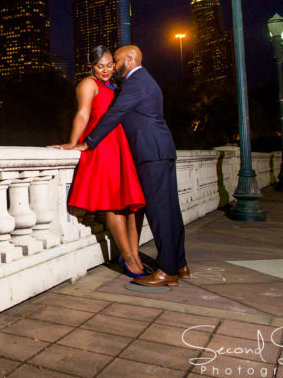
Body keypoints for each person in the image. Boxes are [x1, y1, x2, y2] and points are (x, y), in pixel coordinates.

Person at [80, 45, 188, 287]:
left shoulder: (136, 81)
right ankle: (180, 264)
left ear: (129, 59)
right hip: (161, 149)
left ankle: (168, 270)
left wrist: (88, 143)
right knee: (171, 210)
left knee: (160, 213)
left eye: (116, 61)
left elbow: (115, 113)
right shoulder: (145, 80)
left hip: (150, 152)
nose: (113, 66)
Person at [51, 45, 146, 277]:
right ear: (91, 66)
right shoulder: (88, 84)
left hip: (121, 144)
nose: (105, 70)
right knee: (114, 203)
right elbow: (83, 114)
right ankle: (128, 257)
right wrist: (73, 142)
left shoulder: (116, 85)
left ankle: (135, 255)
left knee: (133, 205)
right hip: (102, 146)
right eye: (99, 66)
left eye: (109, 65)